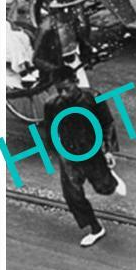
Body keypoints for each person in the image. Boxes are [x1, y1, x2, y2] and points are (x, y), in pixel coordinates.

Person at [42, 66, 127, 248]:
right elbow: (50, 129)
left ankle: (110, 179)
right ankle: (95, 228)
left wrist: (108, 150)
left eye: (67, 89)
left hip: (92, 149)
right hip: (68, 152)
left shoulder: (93, 98)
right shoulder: (52, 105)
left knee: (104, 188)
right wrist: (56, 150)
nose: (63, 94)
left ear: (76, 81)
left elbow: (107, 123)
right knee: (72, 195)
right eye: (59, 90)